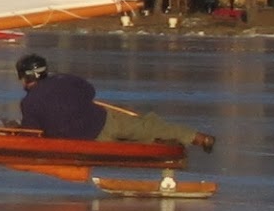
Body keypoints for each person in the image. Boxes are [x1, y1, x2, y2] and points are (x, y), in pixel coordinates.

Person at [14, 53, 214, 151]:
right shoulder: (64, 79)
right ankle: (196, 137)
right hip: (105, 120)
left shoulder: (29, 103)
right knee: (147, 126)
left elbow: (33, 133)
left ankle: (164, 146)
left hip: (89, 142)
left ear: (25, 77)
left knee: (134, 146)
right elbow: (90, 92)